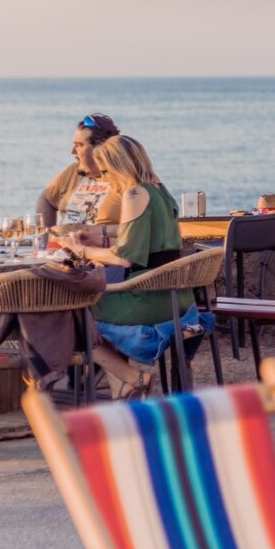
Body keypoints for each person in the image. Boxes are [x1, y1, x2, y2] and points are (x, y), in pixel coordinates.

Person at [56, 136, 185, 396]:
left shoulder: (134, 193)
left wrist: (80, 249)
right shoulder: (158, 189)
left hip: (147, 300)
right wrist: (98, 235)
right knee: (93, 307)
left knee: (71, 315)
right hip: (174, 295)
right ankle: (123, 390)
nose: (104, 179)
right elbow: (142, 231)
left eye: (105, 171)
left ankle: (131, 377)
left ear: (119, 166)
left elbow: (124, 257)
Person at [38, 113, 123, 245]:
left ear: (100, 147)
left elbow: (140, 231)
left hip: (94, 259)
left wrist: (86, 231)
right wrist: (45, 242)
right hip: (57, 254)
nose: (72, 151)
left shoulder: (126, 179)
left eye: (79, 145)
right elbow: (46, 199)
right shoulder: (74, 171)